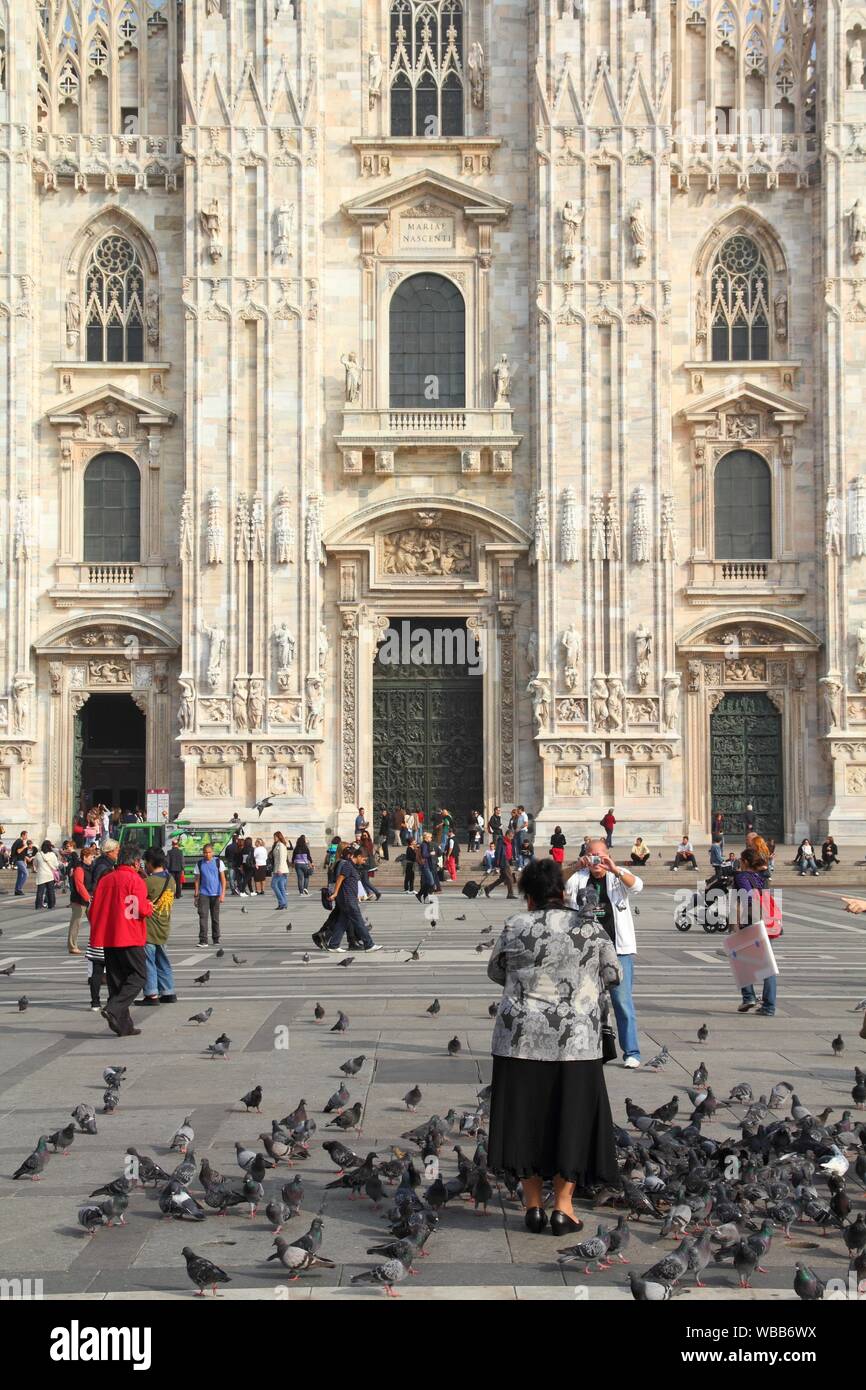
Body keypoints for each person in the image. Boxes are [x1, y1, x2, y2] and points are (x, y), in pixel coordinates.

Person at [487, 858, 621, 1235]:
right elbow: (614, 974)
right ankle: (563, 1207)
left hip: (521, 1039)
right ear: (562, 893)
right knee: (572, 1120)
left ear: (528, 896)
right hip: (576, 1042)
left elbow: (496, 971)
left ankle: (532, 1204)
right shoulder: (589, 928)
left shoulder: (516, 924)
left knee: (524, 1118)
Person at [565, 839, 643, 1068]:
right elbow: (552, 885)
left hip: (618, 950)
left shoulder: (618, 876)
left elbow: (637, 885)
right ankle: (585, 1048)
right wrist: (574, 866)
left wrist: (615, 869)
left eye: (600, 855)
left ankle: (632, 1052)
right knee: (582, 1001)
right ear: (585, 856)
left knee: (622, 1001)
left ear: (607, 855)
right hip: (585, 951)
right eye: (592, 855)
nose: (596, 859)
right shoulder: (577, 877)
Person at [88, 843, 154, 1037]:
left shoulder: (106, 880)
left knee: (116, 980)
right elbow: (141, 909)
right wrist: (149, 907)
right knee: (139, 976)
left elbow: (93, 910)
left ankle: (124, 1025)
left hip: (109, 936)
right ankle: (114, 1008)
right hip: (130, 935)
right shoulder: (136, 880)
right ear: (135, 862)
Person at [734, 846, 776, 1017]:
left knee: (740, 959)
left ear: (744, 862)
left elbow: (747, 898)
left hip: (752, 922)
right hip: (767, 922)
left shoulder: (742, 877)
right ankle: (769, 1006)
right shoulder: (762, 877)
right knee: (768, 966)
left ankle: (749, 997)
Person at [326, 844, 382, 953]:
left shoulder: (352, 866)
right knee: (359, 922)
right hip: (348, 900)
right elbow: (340, 879)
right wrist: (335, 893)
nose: (364, 861)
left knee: (343, 922)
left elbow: (351, 883)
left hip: (350, 898)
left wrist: (358, 895)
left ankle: (333, 945)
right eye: (364, 859)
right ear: (359, 856)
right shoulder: (347, 865)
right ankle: (369, 945)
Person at [139, 847, 177, 1006]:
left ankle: (151, 993)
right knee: (163, 961)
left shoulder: (148, 882)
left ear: (150, 862)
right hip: (164, 925)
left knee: (149, 962)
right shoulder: (171, 880)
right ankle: (168, 991)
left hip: (149, 928)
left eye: (146, 862)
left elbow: (139, 902)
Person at [194, 842, 226, 946]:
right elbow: (197, 880)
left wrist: (222, 894)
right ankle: (203, 940)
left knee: (215, 918)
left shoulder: (218, 862)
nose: (207, 854)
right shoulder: (199, 864)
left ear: (212, 852)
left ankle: (216, 938)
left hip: (216, 894)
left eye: (209, 852)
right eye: (205, 852)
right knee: (203, 917)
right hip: (204, 894)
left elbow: (223, 879)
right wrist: (196, 895)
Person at [67, 842, 96, 954]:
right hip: (79, 900)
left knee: (94, 921)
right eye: (90, 857)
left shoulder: (90, 867)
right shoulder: (79, 869)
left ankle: (95, 943)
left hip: (88, 898)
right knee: (76, 922)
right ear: (84, 857)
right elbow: (79, 885)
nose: (92, 860)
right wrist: (87, 897)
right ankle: (72, 945)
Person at [484, 830, 516, 899]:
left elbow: (510, 850)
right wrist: (497, 864)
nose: (511, 838)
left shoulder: (510, 841)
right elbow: (497, 853)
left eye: (512, 837)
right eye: (510, 836)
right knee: (510, 878)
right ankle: (510, 894)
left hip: (507, 860)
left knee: (502, 878)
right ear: (506, 835)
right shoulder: (501, 841)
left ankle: (488, 888)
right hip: (503, 861)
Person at [33, 840, 59, 910]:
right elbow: (56, 865)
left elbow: (35, 863)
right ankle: (51, 904)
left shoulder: (38, 854)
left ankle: (38, 905)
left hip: (41, 875)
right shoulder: (52, 855)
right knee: (50, 890)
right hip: (49, 875)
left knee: (40, 891)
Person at [11, 830, 30, 896]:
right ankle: (19, 889)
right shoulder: (19, 841)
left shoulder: (20, 841)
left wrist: (25, 861)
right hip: (19, 860)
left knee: (19, 876)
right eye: (26, 835)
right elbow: (18, 851)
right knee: (26, 874)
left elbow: (22, 853)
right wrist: (24, 846)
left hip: (21, 860)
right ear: (23, 835)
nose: (27, 837)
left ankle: (17, 890)